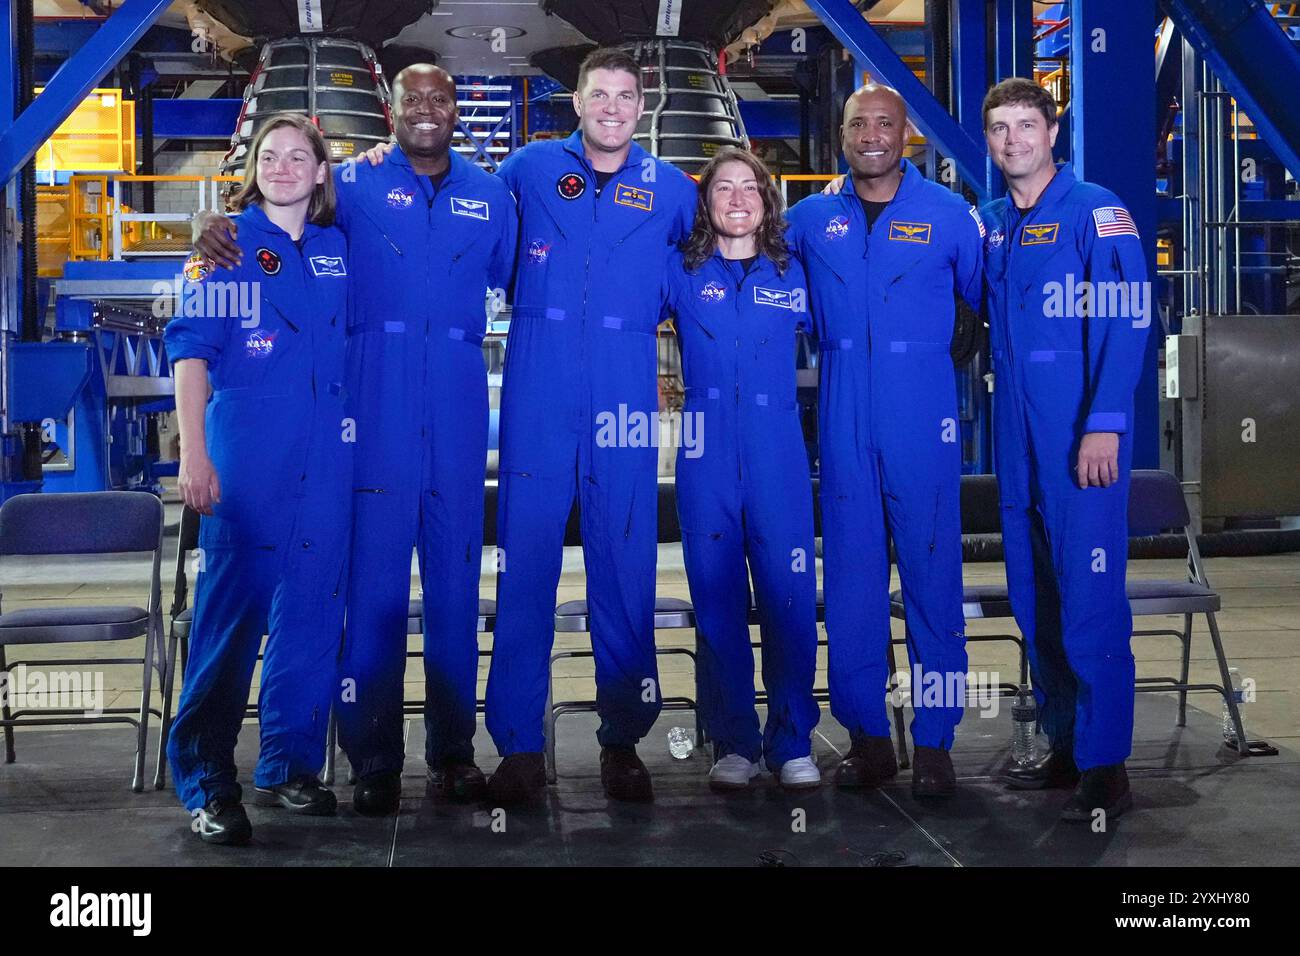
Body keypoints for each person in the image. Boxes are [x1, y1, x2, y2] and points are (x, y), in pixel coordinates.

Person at [195, 66, 517, 816]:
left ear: (457, 110)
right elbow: (283, 220)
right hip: (373, 405)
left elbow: (509, 279)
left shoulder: (492, 195)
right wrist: (216, 225)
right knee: (371, 594)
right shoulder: (358, 186)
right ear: (391, 111)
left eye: (442, 99)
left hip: (460, 400)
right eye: (414, 100)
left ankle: (452, 755)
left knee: (455, 592)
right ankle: (371, 756)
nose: (428, 111)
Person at [484, 48, 696, 804]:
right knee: (525, 564)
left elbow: (730, 248)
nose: (612, 106)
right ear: (575, 101)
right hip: (540, 373)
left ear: (644, 107)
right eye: (599, 94)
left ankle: (623, 739)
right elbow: (468, 226)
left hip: (626, 378)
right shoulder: (529, 169)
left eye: (626, 96)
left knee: (625, 560)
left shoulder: (672, 190)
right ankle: (517, 745)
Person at [788, 84, 984, 798]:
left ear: (908, 135)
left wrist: (928, 359)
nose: (872, 134)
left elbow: (979, 305)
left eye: (886, 123)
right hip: (841, 410)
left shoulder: (950, 216)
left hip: (922, 413)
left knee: (933, 577)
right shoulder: (809, 220)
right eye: (859, 123)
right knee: (851, 582)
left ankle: (934, 740)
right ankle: (869, 736)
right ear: (842, 133)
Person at [166, 113, 351, 845]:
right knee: (229, 623)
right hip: (247, 451)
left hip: (328, 459)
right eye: (268, 156)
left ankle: (288, 767)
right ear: (253, 168)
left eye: (296, 156)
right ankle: (207, 779)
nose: (281, 166)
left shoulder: (340, 248)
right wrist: (192, 454)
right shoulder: (226, 248)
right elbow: (189, 355)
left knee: (309, 618)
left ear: (319, 172)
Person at [980, 78, 1150, 820]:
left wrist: (1107, 421)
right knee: (1034, 597)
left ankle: (1105, 759)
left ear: (1052, 133)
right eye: (998, 128)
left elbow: (1128, 318)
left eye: (1026, 125)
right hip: (1016, 443)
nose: (1013, 140)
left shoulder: (1095, 212)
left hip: (1082, 439)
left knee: (1090, 601)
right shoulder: (989, 224)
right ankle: (1062, 741)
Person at [662, 147, 821, 791]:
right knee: (717, 601)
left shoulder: (796, 271)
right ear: (705, 203)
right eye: (722, 188)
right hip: (704, 455)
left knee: (788, 602)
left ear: (767, 200)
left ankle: (791, 740)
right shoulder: (679, 271)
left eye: (748, 187)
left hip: (778, 451)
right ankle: (733, 739)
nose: (736, 199)